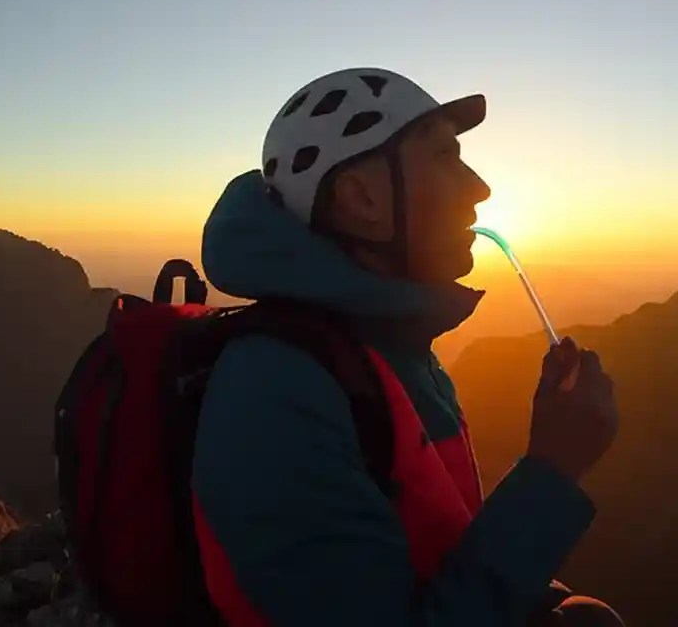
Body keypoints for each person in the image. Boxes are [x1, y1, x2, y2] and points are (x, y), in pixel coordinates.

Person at [191, 68, 623, 626]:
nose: (479, 187)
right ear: (363, 197)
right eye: (444, 157)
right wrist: (553, 468)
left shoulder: (384, 346)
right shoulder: (275, 392)